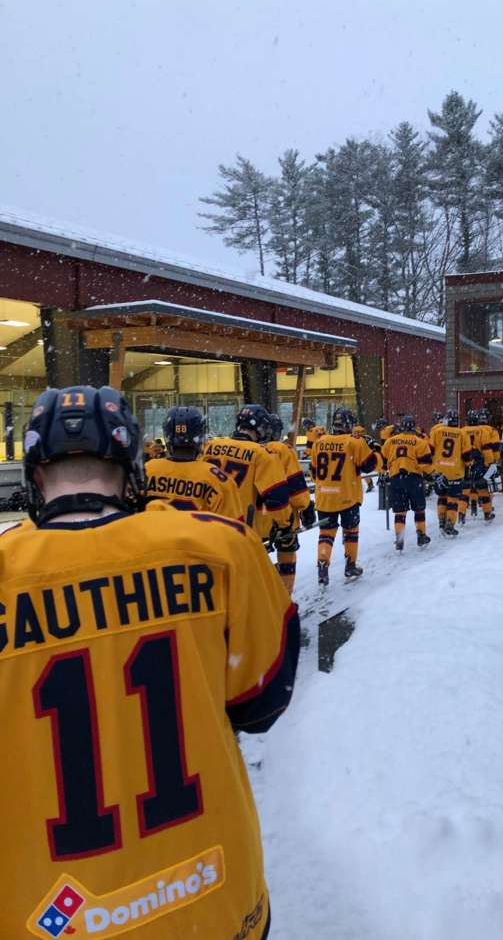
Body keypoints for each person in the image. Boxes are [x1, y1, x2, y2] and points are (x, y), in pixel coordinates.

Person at [1, 385, 298, 940]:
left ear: (36, 475)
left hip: (49, 911)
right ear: (130, 464)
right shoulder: (216, 547)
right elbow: (261, 701)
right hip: (207, 889)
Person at [310, 407, 380, 585]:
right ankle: (350, 565)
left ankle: (323, 566)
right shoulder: (354, 442)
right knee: (350, 532)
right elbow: (369, 466)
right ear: (349, 423)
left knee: (326, 534)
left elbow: (313, 472)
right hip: (348, 496)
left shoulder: (319, 442)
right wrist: (376, 450)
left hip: (325, 497)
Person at [202, 404, 291, 530]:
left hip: (207, 525)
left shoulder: (209, 445)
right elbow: (277, 497)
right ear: (259, 427)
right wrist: (285, 524)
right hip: (240, 528)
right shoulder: (262, 454)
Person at [145, 406, 244, 519]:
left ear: (167, 435)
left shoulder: (148, 469)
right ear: (199, 435)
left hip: (154, 536)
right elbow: (233, 528)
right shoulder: (217, 479)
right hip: (200, 536)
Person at [265, 413, 316, 593]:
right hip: (282, 516)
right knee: (286, 552)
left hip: (252, 517)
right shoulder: (282, 450)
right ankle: (283, 598)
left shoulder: (248, 449)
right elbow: (296, 488)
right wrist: (306, 506)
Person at [381, 413, 433, 550]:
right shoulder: (420, 442)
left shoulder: (390, 441)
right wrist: (432, 474)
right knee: (419, 510)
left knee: (400, 512)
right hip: (414, 478)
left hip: (395, 479)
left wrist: (385, 471)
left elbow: (383, 460)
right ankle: (421, 536)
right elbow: (426, 463)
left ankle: (399, 538)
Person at [429, 408, 473, 536]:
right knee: (453, 499)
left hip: (439, 471)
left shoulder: (437, 431)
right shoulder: (461, 433)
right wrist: (469, 465)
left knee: (441, 497)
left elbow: (429, 450)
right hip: (455, 471)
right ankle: (450, 524)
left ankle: (441, 522)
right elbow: (466, 455)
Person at [353, 424, 376, 492]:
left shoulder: (354, 439)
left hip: (359, 457)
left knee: (359, 472)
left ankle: (366, 484)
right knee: (364, 471)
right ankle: (369, 484)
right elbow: (374, 446)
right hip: (367, 457)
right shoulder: (368, 438)